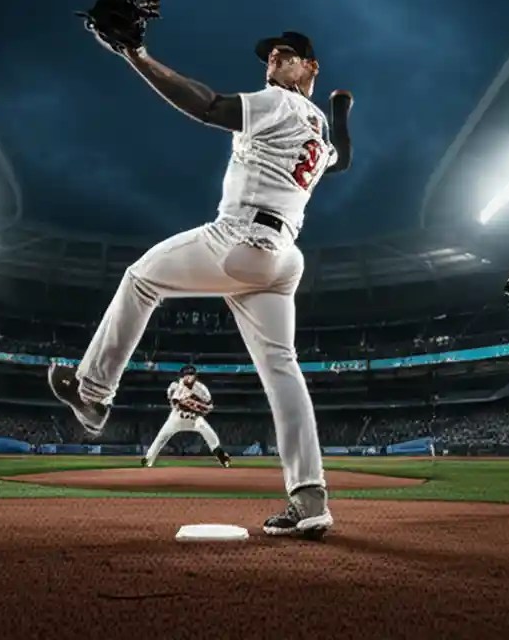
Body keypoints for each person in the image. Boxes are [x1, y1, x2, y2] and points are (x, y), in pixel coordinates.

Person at [49, 29, 352, 539]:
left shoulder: (278, 102)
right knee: (283, 370)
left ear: (310, 67)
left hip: (239, 239)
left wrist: (135, 53)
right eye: (270, 55)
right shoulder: (318, 126)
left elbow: (208, 105)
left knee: (141, 278)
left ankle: (95, 395)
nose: (274, 58)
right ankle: (309, 498)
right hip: (282, 260)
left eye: (287, 55)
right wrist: (340, 112)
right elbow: (341, 159)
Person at [142, 365, 231, 468]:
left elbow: (210, 406)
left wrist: (200, 408)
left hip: (195, 419)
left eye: (191, 375)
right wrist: (194, 405)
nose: (189, 377)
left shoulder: (201, 389)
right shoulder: (176, 386)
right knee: (161, 437)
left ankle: (221, 457)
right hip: (176, 418)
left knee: (210, 434)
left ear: (195, 376)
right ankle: (148, 459)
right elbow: (176, 403)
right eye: (186, 375)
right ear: (181, 376)